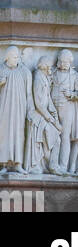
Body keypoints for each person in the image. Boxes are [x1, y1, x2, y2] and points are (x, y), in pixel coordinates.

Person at [0, 44, 31, 172]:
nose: (16, 60)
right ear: (7, 58)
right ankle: (4, 164)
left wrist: (31, 110)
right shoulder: (1, 70)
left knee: (19, 134)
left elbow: (29, 93)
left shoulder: (24, 72)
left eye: (18, 57)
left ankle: (18, 164)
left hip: (19, 109)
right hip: (4, 109)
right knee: (4, 134)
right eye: (14, 57)